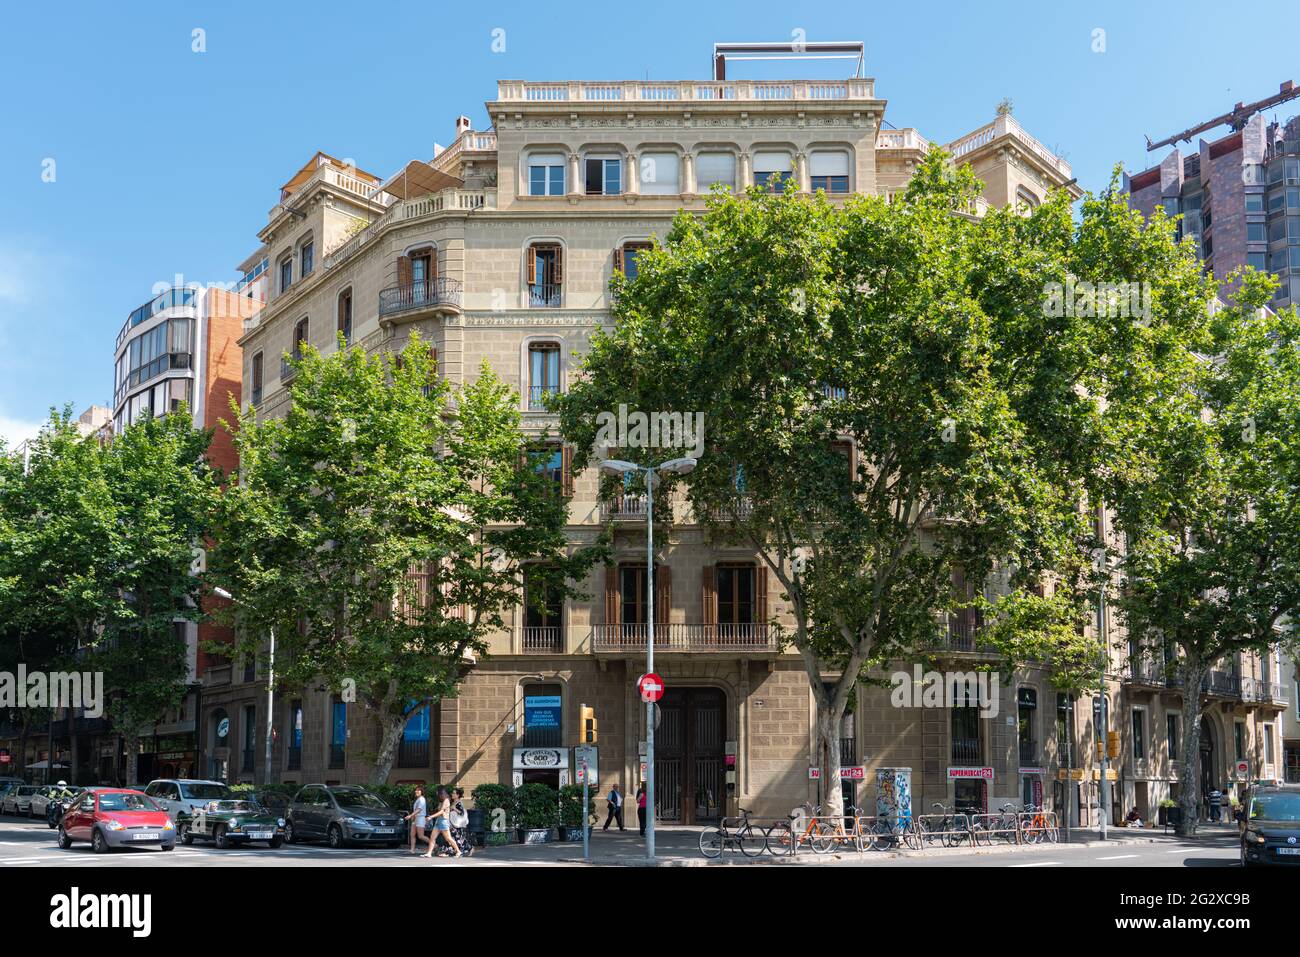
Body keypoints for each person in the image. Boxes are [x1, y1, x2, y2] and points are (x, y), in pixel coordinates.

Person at [423, 788, 462, 859]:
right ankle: (429, 853)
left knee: (448, 838)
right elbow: (438, 811)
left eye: (439, 794)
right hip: (439, 821)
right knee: (432, 837)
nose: (438, 795)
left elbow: (441, 812)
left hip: (444, 821)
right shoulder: (442, 801)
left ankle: (458, 851)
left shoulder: (446, 801)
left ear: (443, 794)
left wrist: (431, 817)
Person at [449, 787, 474, 857]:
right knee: (457, 838)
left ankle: (464, 850)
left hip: (458, 823)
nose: (452, 794)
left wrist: (454, 809)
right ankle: (468, 848)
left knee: (458, 838)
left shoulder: (459, 803)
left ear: (458, 795)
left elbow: (461, 813)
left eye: (454, 793)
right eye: (452, 793)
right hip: (454, 823)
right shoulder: (454, 802)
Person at [404, 786, 427, 854]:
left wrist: (411, 815)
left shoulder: (422, 799)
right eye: (416, 790)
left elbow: (419, 809)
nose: (416, 791)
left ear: (422, 792)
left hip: (420, 818)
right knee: (412, 834)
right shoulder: (418, 799)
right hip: (416, 818)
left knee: (421, 836)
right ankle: (412, 850)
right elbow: (416, 809)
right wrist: (413, 817)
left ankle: (434, 845)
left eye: (418, 790)